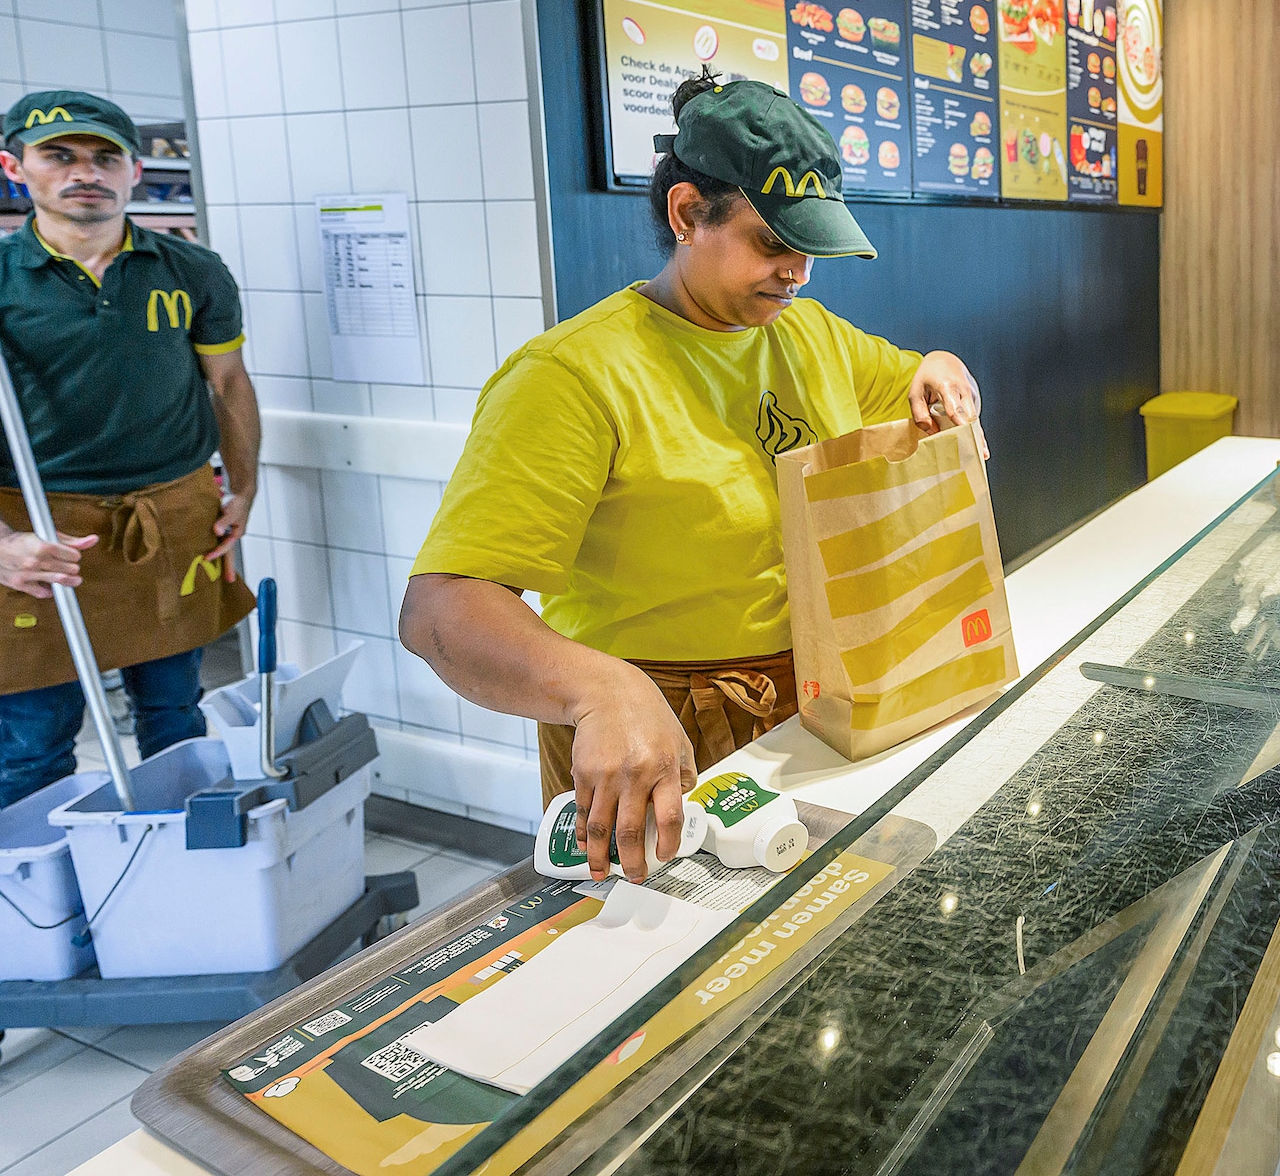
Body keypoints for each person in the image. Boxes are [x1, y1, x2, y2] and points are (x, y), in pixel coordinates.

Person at [400, 74, 984, 882]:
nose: (798, 274)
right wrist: (600, 692)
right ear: (685, 214)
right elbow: (441, 610)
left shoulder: (810, 334)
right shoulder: (573, 375)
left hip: (810, 712)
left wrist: (942, 369)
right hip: (654, 743)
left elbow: (910, 374)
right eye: (772, 244)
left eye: (810, 248)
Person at [0, 90, 259, 806]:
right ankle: (46, 902)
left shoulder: (191, 270)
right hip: (37, 529)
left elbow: (229, 381)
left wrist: (243, 486)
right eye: (59, 155)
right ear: (14, 167)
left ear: (134, 169)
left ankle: (173, 872)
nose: (86, 171)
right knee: (36, 732)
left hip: (172, 515)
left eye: (104, 156)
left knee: (175, 716)